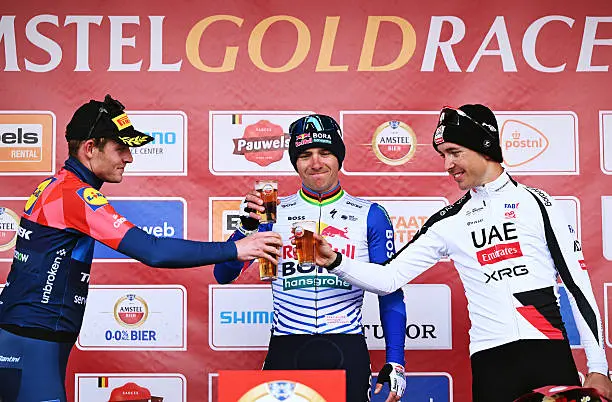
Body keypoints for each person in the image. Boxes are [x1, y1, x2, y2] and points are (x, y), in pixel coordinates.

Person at [312, 104, 612, 401]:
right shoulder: (448, 220)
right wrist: (335, 261)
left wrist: (598, 367)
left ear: (485, 147)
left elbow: (577, 286)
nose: (447, 165)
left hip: (548, 351)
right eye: (443, 155)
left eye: (454, 152)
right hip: (491, 361)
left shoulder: (538, 203)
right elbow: (388, 278)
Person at [0, 94, 282, 402]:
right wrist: (235, 249)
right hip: (32, 340)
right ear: (90, 148)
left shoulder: (58, 186)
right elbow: (153, 251)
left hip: (30, 337)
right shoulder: (73, 195)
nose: (129, 158)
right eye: (120, 148)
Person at [214, 114, 407, 402]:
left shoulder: (370, 214)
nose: (315, 163)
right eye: (305, 155)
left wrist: (396, 360)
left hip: (346, 348)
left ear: (339, 158)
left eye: (325, 152)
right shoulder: (271, 213)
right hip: (286, 346)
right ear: (295, 163)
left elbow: (389, 291)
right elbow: (223, 275)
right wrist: (246, 227)